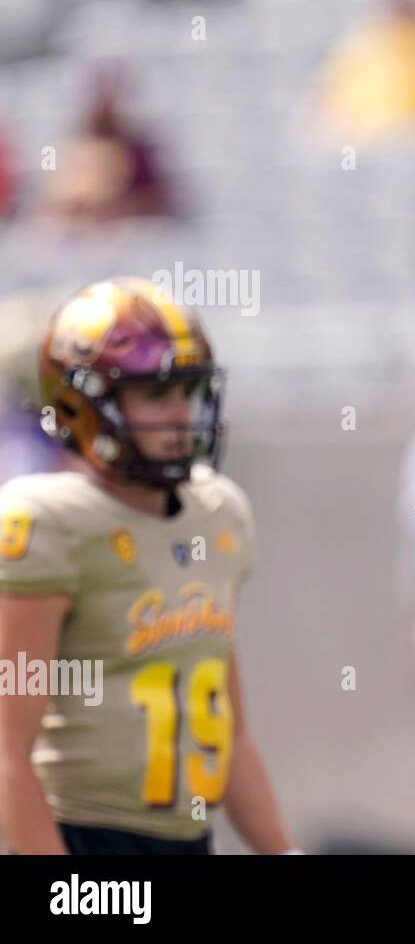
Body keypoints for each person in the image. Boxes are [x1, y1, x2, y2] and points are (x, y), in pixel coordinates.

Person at [0, 278, 296, 854]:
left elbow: (230, 734)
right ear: (83, 404)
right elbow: (8, 751)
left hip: (189, 838)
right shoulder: (48, 522)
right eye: (157, 395)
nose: (183, 414)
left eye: (189, 390)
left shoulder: (218, 511)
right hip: (80, 838)